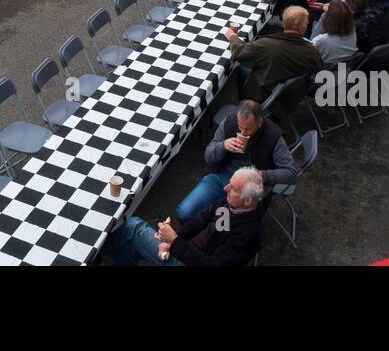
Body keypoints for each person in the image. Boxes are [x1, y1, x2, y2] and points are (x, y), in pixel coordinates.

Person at [104, 167, 264, 266]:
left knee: (134, 227)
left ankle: (96, 252)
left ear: (248, 200)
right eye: (229, 183)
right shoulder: (233, 205)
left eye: (233, 188)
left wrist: (174, 242)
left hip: (190, 261)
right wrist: (171, 242)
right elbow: (201, 219)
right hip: (184, 249)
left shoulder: (246, 234)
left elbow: (210, 264)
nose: (225, 188)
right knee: (133, 246)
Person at [174, 99, 296, 224]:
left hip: (247, 189)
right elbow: (208, 157)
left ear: (259, 122)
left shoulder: (273, 137)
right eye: (240, 127)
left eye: (248, 129)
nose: (242, 132)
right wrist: (223, 146)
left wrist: (261, 175)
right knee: (184, 213)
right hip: (222, 176)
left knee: (223, 228)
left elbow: (291, 174)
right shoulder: (229, 122)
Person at [224, 6, 322, 103]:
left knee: (240, 67)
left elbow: (240, 53)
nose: (308, 24)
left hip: (266, 92)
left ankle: (245, 102)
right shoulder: (312, 51)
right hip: (294, 94)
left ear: (284, 23)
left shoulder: (267, 44)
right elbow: (319, 70)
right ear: (303, 27)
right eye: (306, 22)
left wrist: (233, 37)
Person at [312, 1, 358, 65]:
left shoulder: (321, 40)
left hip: (324, 72)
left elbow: (310, 42)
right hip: (347, 70)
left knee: (314, 22)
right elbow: (341, 16)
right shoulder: (353, 31)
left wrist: (324, 15)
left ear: (329, 19)